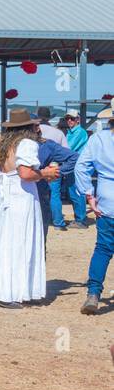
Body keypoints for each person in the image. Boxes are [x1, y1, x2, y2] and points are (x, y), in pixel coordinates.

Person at [0, 110, 47, 307]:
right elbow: (25, 173)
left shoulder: (1, 144)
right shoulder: (27, 144)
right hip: (22, 196)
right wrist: (45, 173)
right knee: (20, 242)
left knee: (2, 241)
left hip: (6, 196)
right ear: (28, 127)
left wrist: (5, 174)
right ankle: (12, 292)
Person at [74, 107, 114, 315]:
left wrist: (89, 194)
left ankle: (93, 293)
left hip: (107, 201)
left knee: (103, 250)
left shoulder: (99, 139)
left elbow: (81, 167)